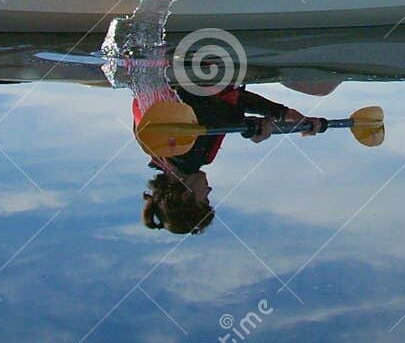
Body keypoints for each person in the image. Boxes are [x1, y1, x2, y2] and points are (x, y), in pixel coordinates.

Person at [138, 86, 327, 235]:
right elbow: (227, 99)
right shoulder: (163, 155)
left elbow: (203, 99)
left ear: (186, 196)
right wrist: (281, 113)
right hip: (203, 71)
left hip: (203, 64)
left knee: (321, 88)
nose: (209, 191)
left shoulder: (185, 155)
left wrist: (249, 126)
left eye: (205, 199)